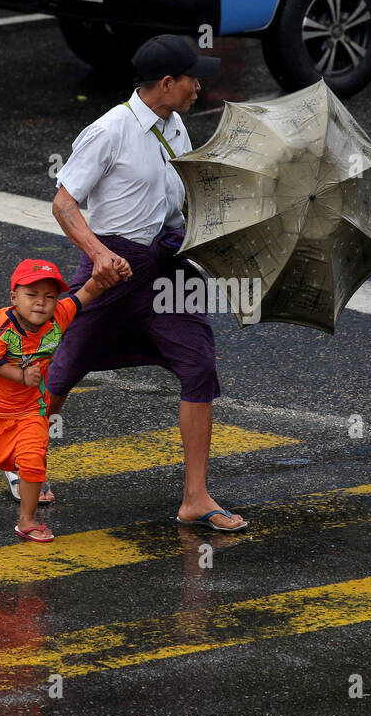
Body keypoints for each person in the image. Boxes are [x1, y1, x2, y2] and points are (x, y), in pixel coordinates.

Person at [46, 34, 247, 532]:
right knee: (62, 370)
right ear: (166, 82)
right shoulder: (109, 131)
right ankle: (16, 459)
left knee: (198, 363)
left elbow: (182, 199)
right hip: (114, 268)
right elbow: (64, 204)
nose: (199, 87)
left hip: (166, 264)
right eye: (193, 79)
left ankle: (195, 498)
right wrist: (99, 255)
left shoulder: (176, 127)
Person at [0, 259, 121, 542]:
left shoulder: (59, 317)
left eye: (50, 297)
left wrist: (108, 275)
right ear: (14, 297)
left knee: (33, 460)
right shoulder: (1, 325)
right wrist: (21, 375)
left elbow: (86, 293)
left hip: (32, 407)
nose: (41, 303)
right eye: (31, 295)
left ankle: (27, 520)